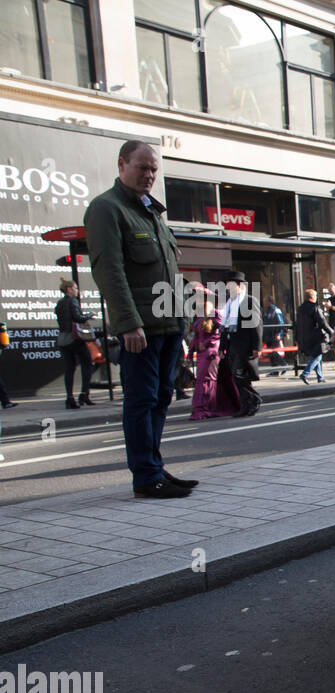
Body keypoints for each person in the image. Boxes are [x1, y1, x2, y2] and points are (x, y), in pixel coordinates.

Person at [84, 140, 196, 499]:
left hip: (167, 323)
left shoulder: (152, 213)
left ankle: (155, 467)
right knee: (142, 399)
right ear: (122, 164)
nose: (149, 175)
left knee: (162, 396)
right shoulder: (106, 209)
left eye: (153, 169)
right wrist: (128, 323)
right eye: (142, 167)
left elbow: (169, 275)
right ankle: (146, 477)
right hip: (141, 329)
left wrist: (183, 325)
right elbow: (109, 272)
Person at [186, 290, 239, 420]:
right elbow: (196, 337)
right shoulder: (198, 316)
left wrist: (207, 342)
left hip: (211, 353)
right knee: (202, 380)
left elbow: (223, 331)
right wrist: (190, 352)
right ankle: (204, 407)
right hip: (201, 353)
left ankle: (203, 408)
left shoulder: (215, 313)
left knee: (206, 380)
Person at [220, 271, 262, 417]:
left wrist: (257, 346)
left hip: (245, 345)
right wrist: (222, 347)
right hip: (232, 346)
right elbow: (225, 327)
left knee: (239, 375)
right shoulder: (230, 304)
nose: (227, 288)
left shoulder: (250, 301)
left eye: (230, 285)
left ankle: (254, 399)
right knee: (237, 376)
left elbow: (256, 324)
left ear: (240, 286)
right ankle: (246, 405)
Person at [55, 278, 96, 409]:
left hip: (62, 339)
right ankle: (84, 394)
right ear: (69, 290)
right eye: (75, 288)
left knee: (69, 368)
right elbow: (78, 318)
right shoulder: (73, 301)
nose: (77, 291)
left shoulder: (60, 303)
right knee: (87, 363)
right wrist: (90, 315)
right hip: (74, 338)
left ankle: (70, 397)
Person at [296, 289, 329, 383]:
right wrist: (332, 332)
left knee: (316, 355)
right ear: (312, 297)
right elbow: (322, 322)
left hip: (304, 337)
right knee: (318, 355)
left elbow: (297, 324)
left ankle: (320, 377)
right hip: (315, 337)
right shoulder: (315, 307)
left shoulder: (300, 308)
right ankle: (305, 373)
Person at [261, 297, 289, 374]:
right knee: (271, 353)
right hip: (268, 335)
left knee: (273, 351)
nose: (264, 303)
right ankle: (275, 370)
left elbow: (280, 322)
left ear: (270, 301)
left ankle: (284, 364)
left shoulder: (275, 310)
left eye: (265, 301)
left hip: (274, 334)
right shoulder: (267, 311)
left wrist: (279, 333)